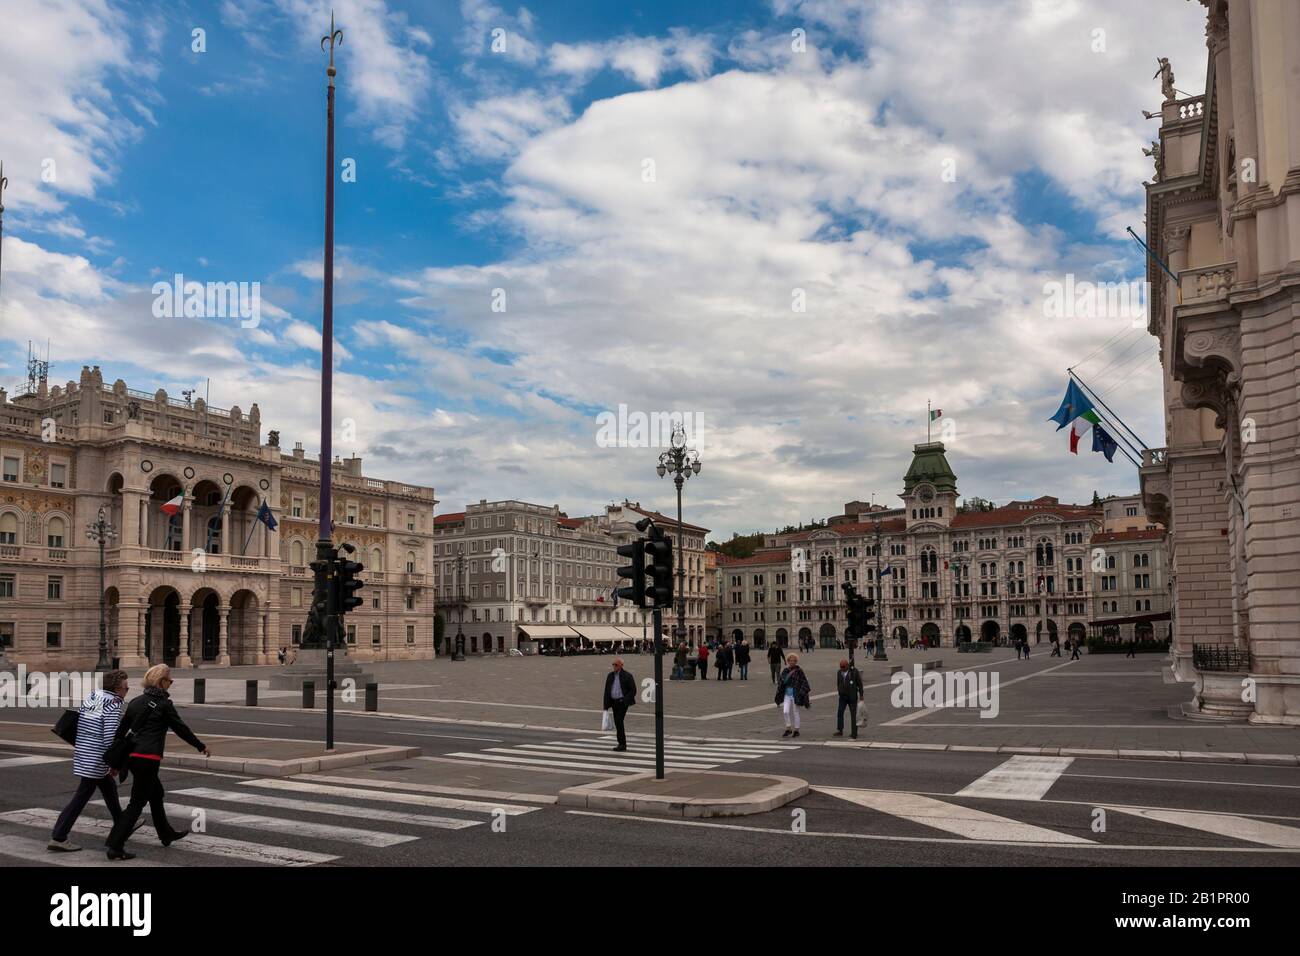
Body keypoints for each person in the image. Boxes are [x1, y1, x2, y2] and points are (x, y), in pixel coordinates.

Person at [103, 664, 210, 861]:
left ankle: (165, 833)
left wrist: (117, 763)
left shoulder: (135, 702)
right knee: (137, 803)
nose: (171, 683)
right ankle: (115, 845)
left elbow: (120, 733)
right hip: (149, 758)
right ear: (161, 682)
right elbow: (181, 729)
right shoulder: (164, 705)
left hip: (133, 758)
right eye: (169, 680)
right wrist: (200, 745)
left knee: (156, 793)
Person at [48, 669, 129, 852]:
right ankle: (59, 836)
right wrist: (114, 763)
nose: (127, 691)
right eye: (126, 688)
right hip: (97, 756)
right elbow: (109, 737)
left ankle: (123, 824)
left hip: (84, 751)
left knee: (108, 788)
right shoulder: (114, 703)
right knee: (82, 795)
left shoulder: (94, 696)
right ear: (117, 689)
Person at [603, 658, 636, 751]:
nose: (614, 666)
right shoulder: (610, 676)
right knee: (618, 722)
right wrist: (606, 705)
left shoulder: (627, 676)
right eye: (613, 664)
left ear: (621, 665)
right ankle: (621, 743)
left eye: (616, 665)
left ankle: (622, 744)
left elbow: (633, 690)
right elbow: (607, 691)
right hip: (614, 702)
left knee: (618, 721)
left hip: (622, 702)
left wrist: (625, 700)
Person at [775, 653, 811, 738]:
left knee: (796, 712)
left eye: (794, 661)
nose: (792, 662)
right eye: (790, 661)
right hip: (787, 694)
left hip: (795, 694)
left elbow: (805, 683)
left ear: (796, 661)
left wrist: (801, 692)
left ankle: (796, 730)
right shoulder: (785, 671)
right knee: (785, 711)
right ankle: (788, 728)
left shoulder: (799, 671)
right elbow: (781, 682)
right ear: (788, 661)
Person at [833, 659, 864, 739]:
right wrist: (839, 691)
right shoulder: (839, 672)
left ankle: (854, 732)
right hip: (842, 697)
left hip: (852, 697)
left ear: (847, 665)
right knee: (840, 712)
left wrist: (861, 695)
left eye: (843, 667)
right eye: (840, 667)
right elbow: (838, 683)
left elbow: (860, 684)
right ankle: (840, 729)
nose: (841, 668)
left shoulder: (854, 672)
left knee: (853, 715)